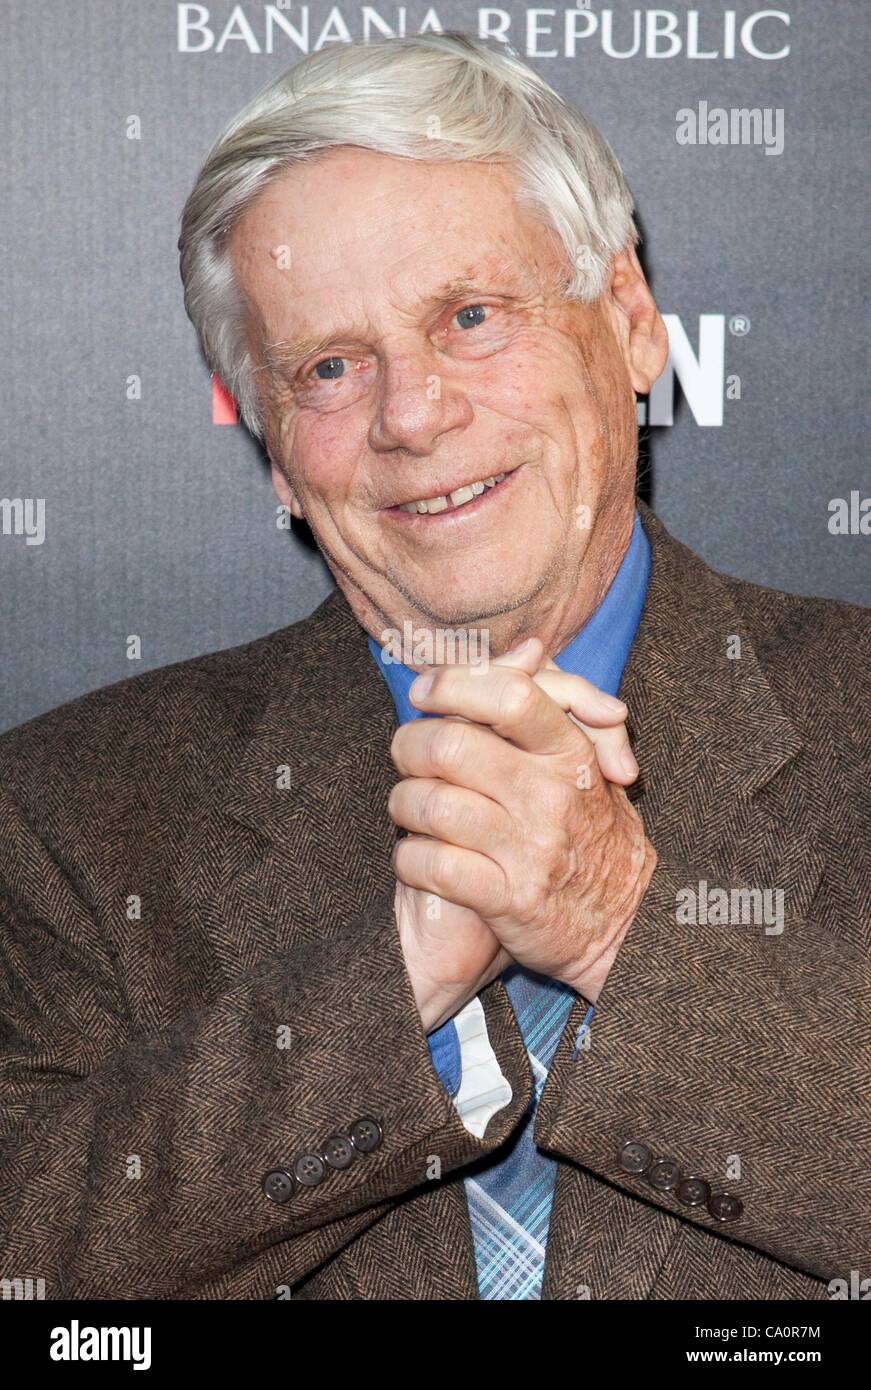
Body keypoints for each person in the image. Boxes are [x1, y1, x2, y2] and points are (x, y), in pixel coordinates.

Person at [1, 32, 867, 1301]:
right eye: (331, 368)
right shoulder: (64, 817)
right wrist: (383, 990)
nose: (412, 415)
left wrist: (616, 926)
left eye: (470, 316)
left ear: (629, 325)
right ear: (279, 451)